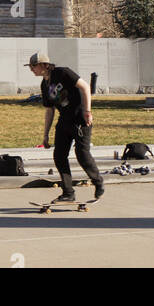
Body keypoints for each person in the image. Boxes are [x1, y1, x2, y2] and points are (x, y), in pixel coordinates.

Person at [28, 52, 104, 203]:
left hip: (80, 119)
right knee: (59, 155)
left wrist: (87, 111)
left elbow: (85, 87)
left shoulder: (63, 73)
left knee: (82, 153)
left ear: (44, 65)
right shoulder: (44, 85)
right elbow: (49, 110)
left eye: (33, 66)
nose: (31, 69)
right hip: (64, 121)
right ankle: (68, 193)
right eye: (30, 66)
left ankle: (98, 181)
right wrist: (45, 135)